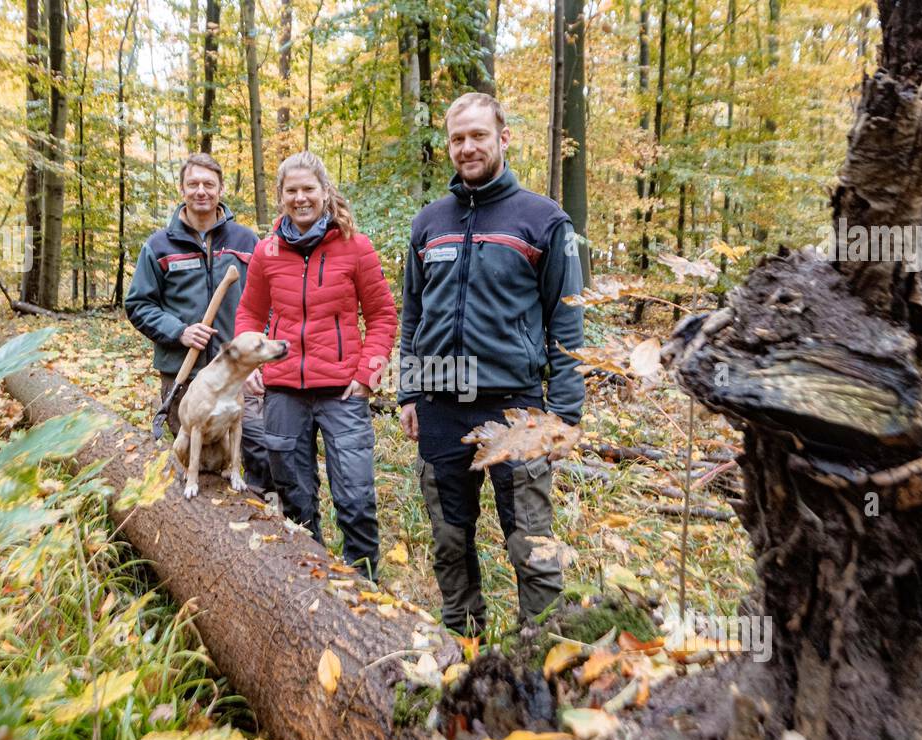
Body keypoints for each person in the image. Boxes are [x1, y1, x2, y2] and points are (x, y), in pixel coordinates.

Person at [398, 92, 586, 639]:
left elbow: (567, 323)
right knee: (449, 540)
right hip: (439, 404)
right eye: (457, 138)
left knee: (530, 542)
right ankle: (463, 644)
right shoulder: (429, 223)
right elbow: (413, 314)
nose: (467, 147)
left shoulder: (543, 220)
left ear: (503, 138)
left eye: (478, 135)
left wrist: (564, 416)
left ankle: (544, 646)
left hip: (515, 409)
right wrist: (409, 392)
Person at [235, 151, 398, 579]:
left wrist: (368, 374)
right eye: (292, 190)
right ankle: (311, 582)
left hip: (342, 391)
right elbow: (249, 313)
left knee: (356, 498)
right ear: (281, 196)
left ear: (325, 192)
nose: (301, 197)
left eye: (309, 188)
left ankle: (364, 586)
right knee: (295, 497)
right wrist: (248, 361)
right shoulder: (267, 251)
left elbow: (382, 315)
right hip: (283, 391)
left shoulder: (355, 246)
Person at [125, 152, 273, 494]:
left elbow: (269, 301)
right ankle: (199, 520)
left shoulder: (246, 241)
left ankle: (261, 516)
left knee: (258, 449)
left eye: (209, 184)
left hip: (239, 374)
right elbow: (138, 304)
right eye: (193, 184)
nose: (201, 191)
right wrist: (179, 331)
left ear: (221, 189)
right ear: (182, 189)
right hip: (184, 373)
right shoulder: (158, 245)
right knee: (194, 457)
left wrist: (257, 355)